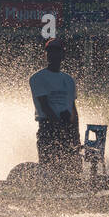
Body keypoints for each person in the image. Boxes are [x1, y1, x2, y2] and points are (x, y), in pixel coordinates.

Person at [29, 38, 81, 182]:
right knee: (49, 170)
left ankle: (75, 188)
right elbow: (44, 105)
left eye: (57, 51)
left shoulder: (69, 80)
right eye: (50, 51)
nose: (53, 54)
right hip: (48, 127)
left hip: (68, 128)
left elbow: (73, 109)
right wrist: (59, 125)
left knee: (73, 169)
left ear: (62, 55)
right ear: (45, 55)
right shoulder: (37, 78)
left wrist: (75, 134)